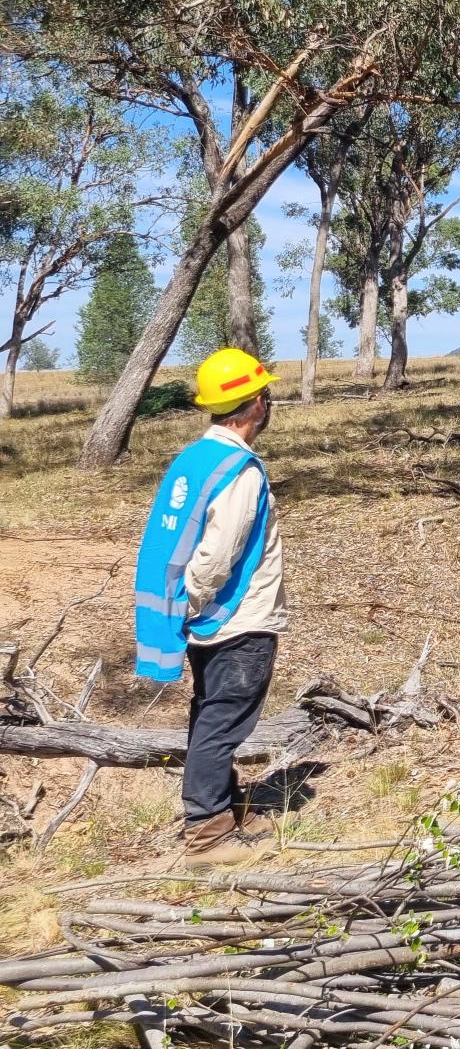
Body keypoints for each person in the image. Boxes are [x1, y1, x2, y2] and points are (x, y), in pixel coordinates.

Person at [134, 348, 286, 863]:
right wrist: (193, 600)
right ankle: (207, 833)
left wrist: (184, 608)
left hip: (206, 619)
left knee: (211, 713)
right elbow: (218, 555)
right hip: (235, 616)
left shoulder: (193, 460)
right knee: (222, 722)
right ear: (258, 404)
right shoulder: (240, 471)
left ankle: (228, 807)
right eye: (266, 394)